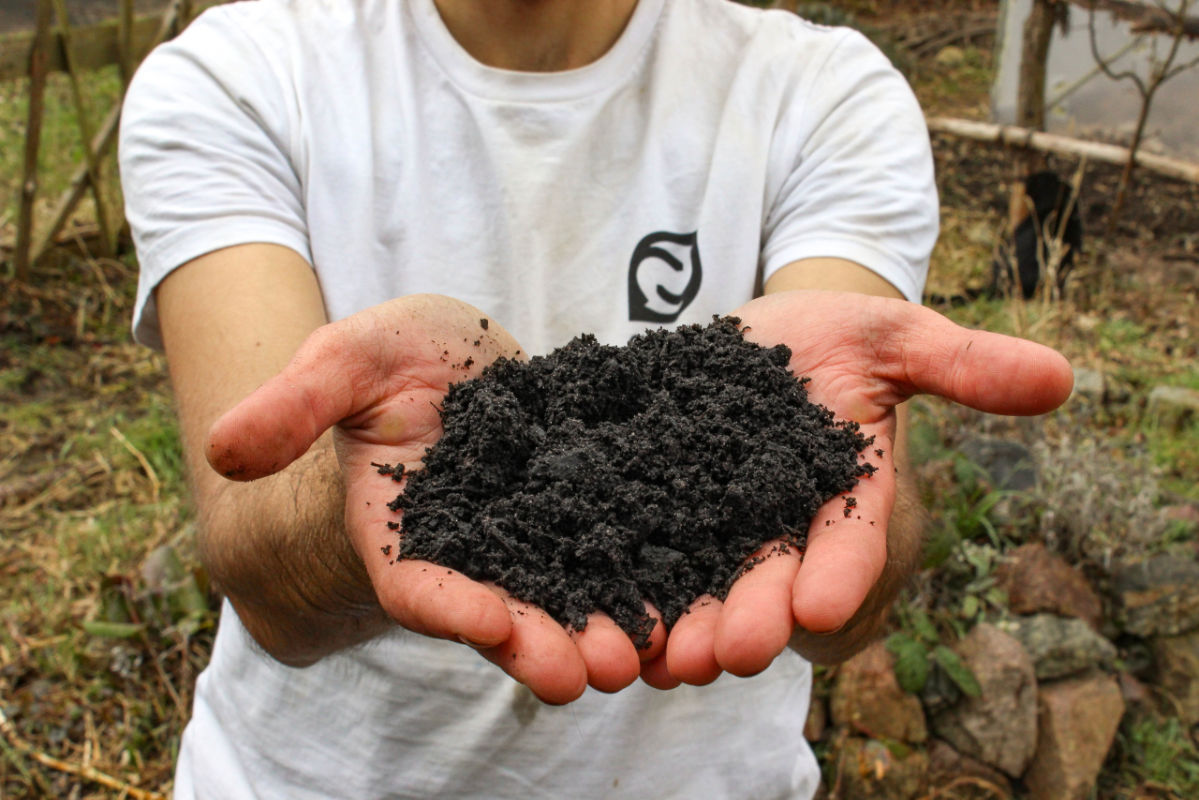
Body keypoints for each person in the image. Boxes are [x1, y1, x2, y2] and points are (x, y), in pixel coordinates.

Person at [119, 0, 1074, 797]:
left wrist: (842, 480)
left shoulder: (820, 94)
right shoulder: (239, 75)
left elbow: (852, 498)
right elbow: (257, 555)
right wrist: (397, 501)